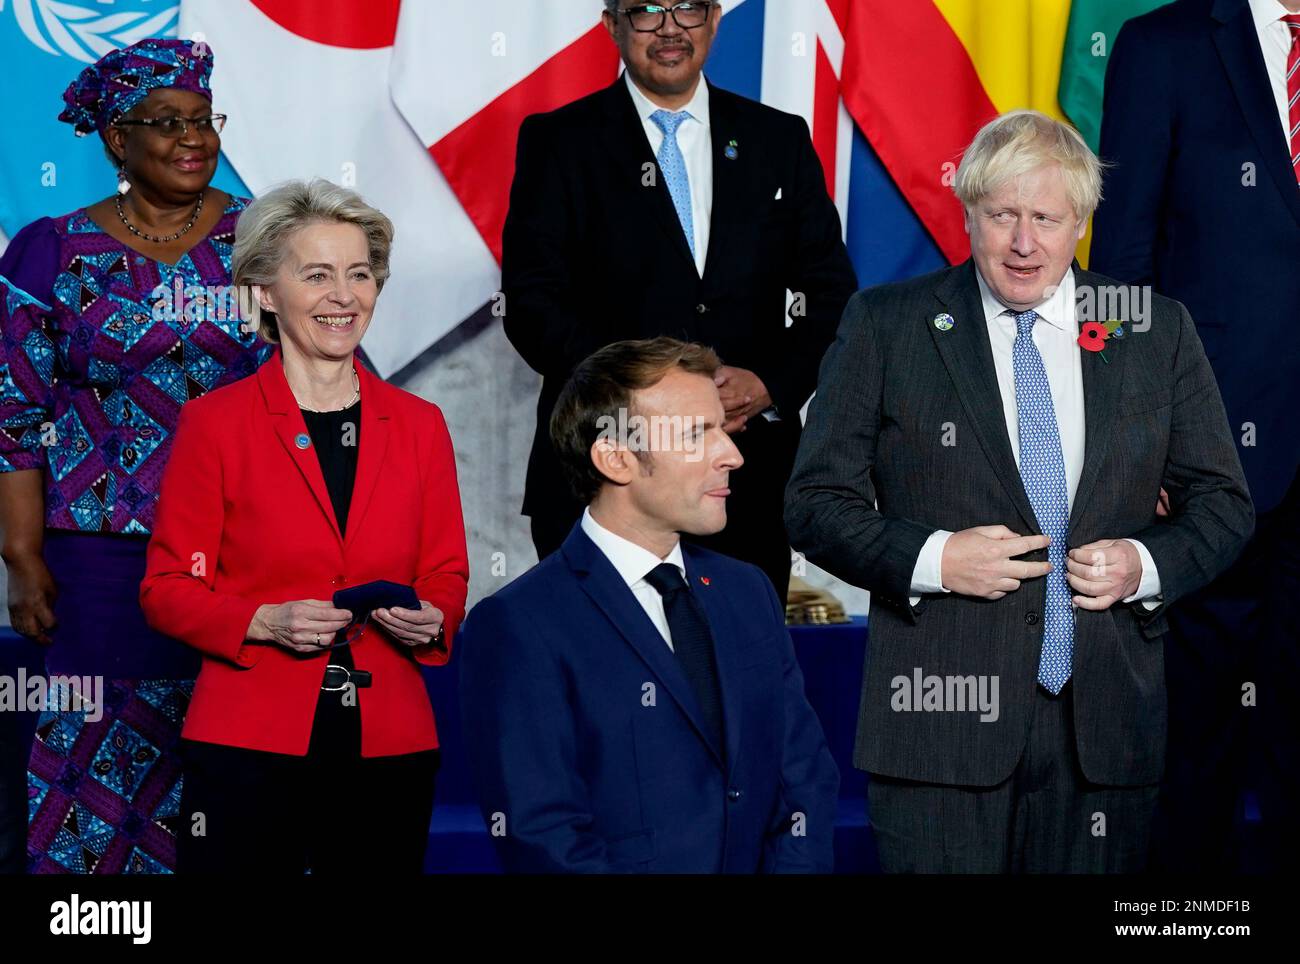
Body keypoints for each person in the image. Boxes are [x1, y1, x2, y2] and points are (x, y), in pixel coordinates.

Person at [785, 110, 1253, 873]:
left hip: (1107, 728)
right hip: (939, 728)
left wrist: (1144, 565)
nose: (1023, 242)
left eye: (1046, 217)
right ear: (969, 211)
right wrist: (937, 558)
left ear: (1081, 222)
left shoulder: (1152, 329)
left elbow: (1224, 506)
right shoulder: (887, 324)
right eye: (1002, 215)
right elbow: (813, 503)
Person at [139, 179, 469, 873]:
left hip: (391, 741)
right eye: (317, 275)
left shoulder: (420, 425)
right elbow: (167, 588)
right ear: (264, 292)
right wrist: (263, 621)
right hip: (249, 738)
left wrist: (433, 616)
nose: (344, 295)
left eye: (360, 274)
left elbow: (445, 571)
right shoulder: (215, 424)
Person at [0, 38, 269, 874]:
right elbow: (15, 413)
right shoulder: (53, 248)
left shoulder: (262, 241)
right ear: (117, 140)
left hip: (245, 550)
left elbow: (321, 384)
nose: (193, 139)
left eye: (204, 120)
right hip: (101, 558)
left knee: (236, 766)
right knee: (98, 757)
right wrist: (20, 552)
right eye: (166, 123)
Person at [502, 0, 857, 600]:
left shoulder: (778, 139)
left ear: (715, 20)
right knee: (603, 676)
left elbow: (834, 297)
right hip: (603, 468)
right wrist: (652, 393)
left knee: (735, 675)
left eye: (687, 8)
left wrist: (771, 382)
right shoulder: (559, 141)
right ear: (612, 23)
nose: (669, 28)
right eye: (645, 11)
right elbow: (532, 306)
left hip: (744, 477)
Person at [460, 337, 839, 873]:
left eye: (722, 429)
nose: (732, 454)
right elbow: (543, 835)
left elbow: (804, 780)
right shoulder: (520, 625)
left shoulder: (746, 591)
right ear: (616, 458)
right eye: (695, 435)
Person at [1090, 0, 1300, 873]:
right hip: (1216, 462)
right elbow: (1122, 265)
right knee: (1195, 748)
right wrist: (1143, 436)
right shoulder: (1164, 44)